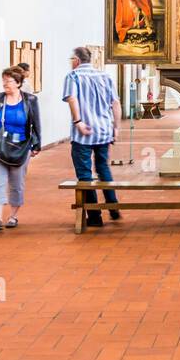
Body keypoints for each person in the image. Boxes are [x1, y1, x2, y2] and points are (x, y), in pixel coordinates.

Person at [62, 46, 121, 228]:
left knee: (84, 174)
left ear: (77, 60)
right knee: (103, 167)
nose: (71, 62)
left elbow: (72, 98)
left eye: (72, 59)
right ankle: (113, 205)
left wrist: (78, 121)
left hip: (83, 132)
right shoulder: (105, 76)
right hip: (103, 130)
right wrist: (116, 127)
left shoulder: (73, 76)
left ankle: (95, 216)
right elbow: (115, 103)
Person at [0, 67, 41, 230]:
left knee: (16, 184)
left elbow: (36, 124)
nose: (5, 84)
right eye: (4, 80)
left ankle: (13, 216)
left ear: (19, 83)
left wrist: (36, 145)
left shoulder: (30, 100)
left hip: (20, 148)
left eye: (9, 81)